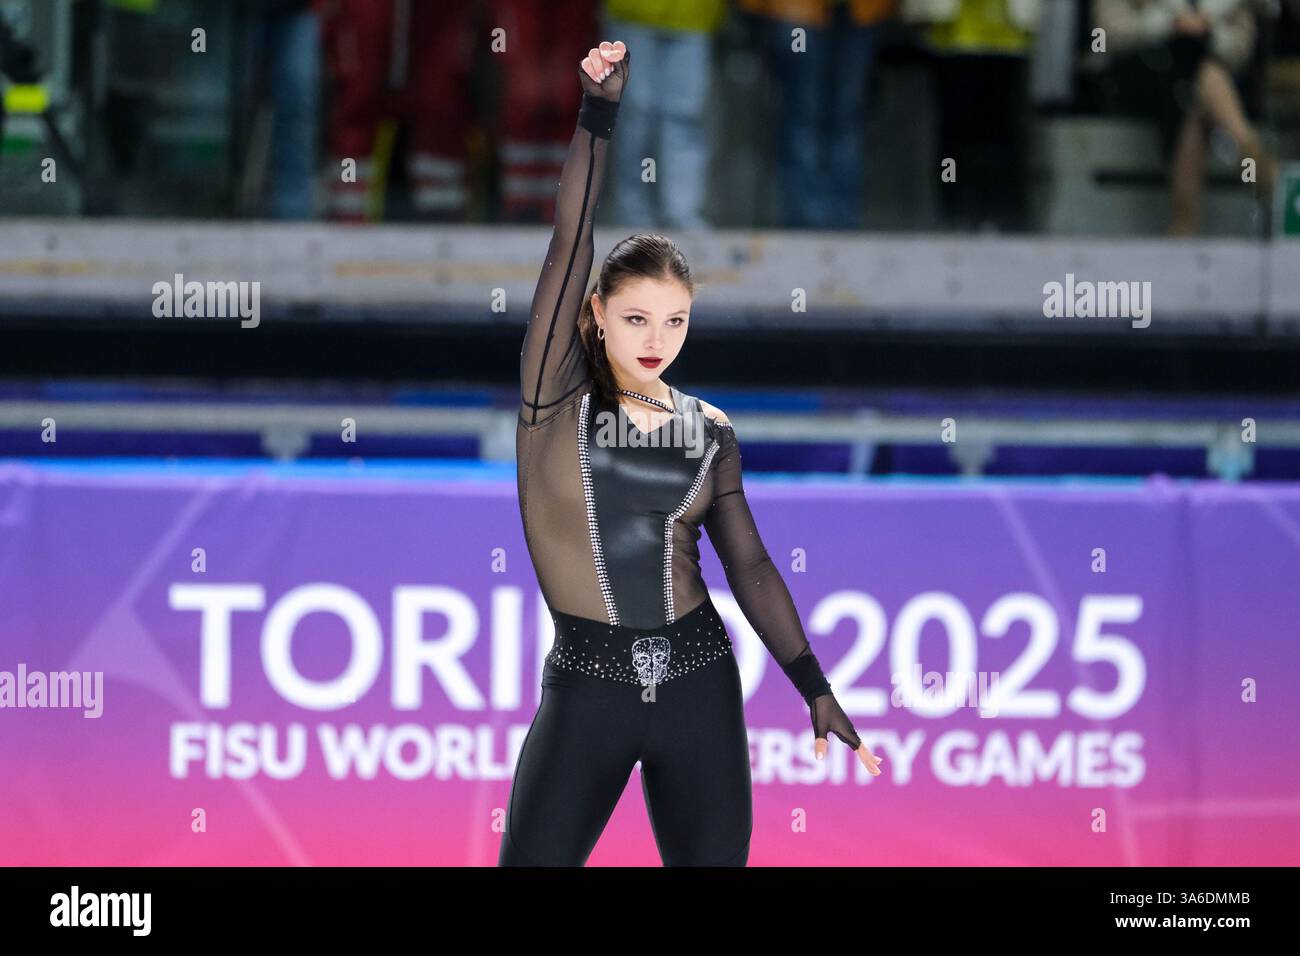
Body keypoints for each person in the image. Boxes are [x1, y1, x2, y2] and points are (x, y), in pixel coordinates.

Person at [500, 39, 882, 868]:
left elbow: (747, 565)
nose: (657, 340)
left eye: (674, 321)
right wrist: (597, 114)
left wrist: (813, 687)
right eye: (636, 318)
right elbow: (571, 239)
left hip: (701, 680)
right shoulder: (552, 395)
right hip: (588, 691)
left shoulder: (708, 427)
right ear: (595, 314)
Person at [1094, 0, 1277, 234]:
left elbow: (1242, 50)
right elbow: (1104, 34)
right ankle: (1249, 149)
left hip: (1203, 81)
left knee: (1192, 91)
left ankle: (1184, 225)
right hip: (1142, 70)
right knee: (1192, 78)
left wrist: (1209, 31)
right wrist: (1169, 25)